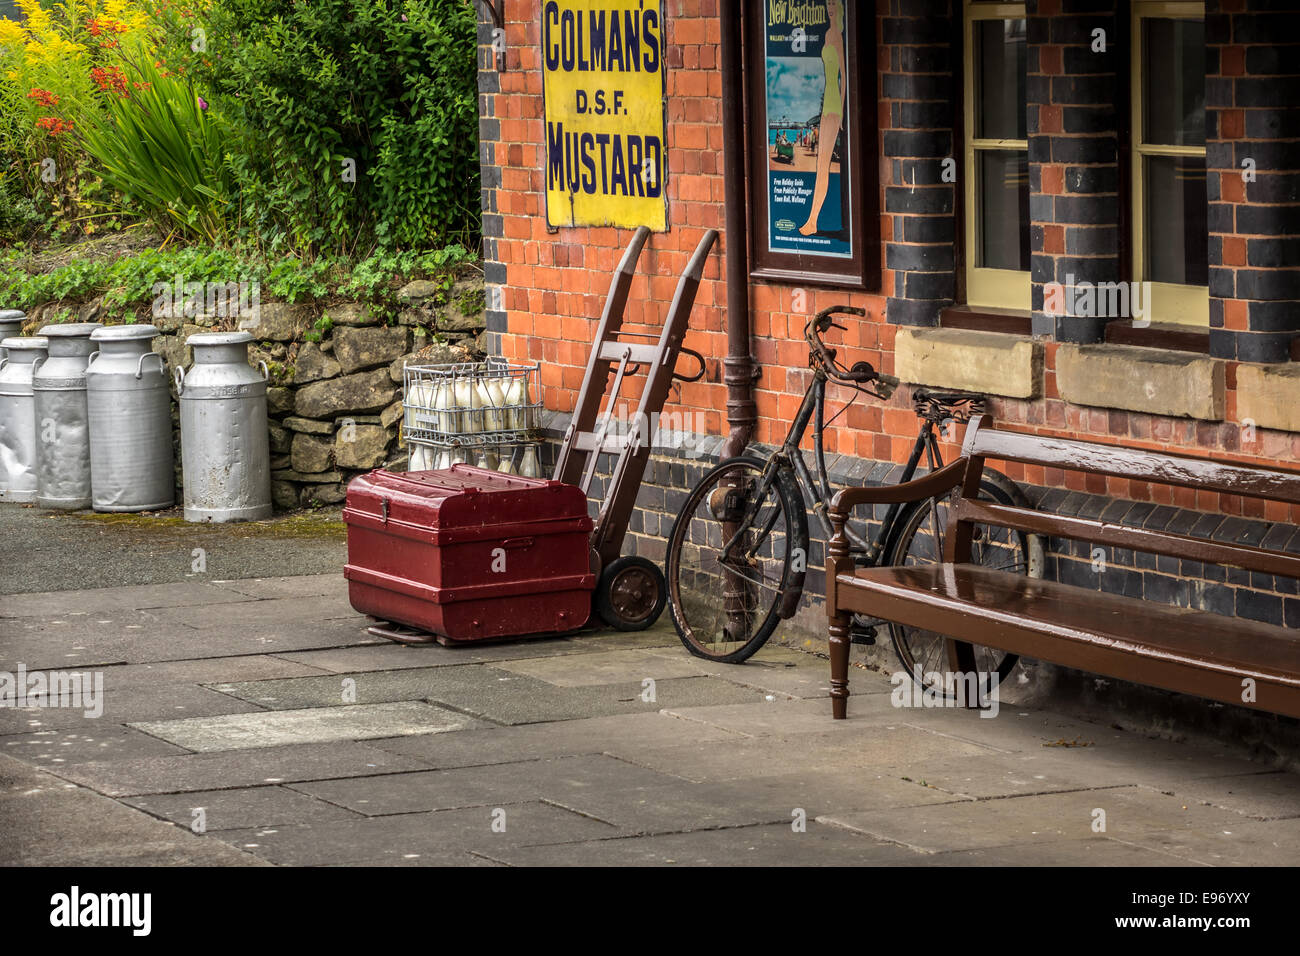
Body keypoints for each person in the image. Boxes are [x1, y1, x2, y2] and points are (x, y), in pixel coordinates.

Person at [799, 0, 846, 237]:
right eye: (827, 3)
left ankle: (813, 220)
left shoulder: (836, 35)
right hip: (827, 102)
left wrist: (842, 114)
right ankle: (812, 219)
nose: (829, 7)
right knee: (820, 166)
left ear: (839, 8)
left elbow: (844, 77)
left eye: (833, 3)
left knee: (823, 167)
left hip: (834, 105)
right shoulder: (829, 33)